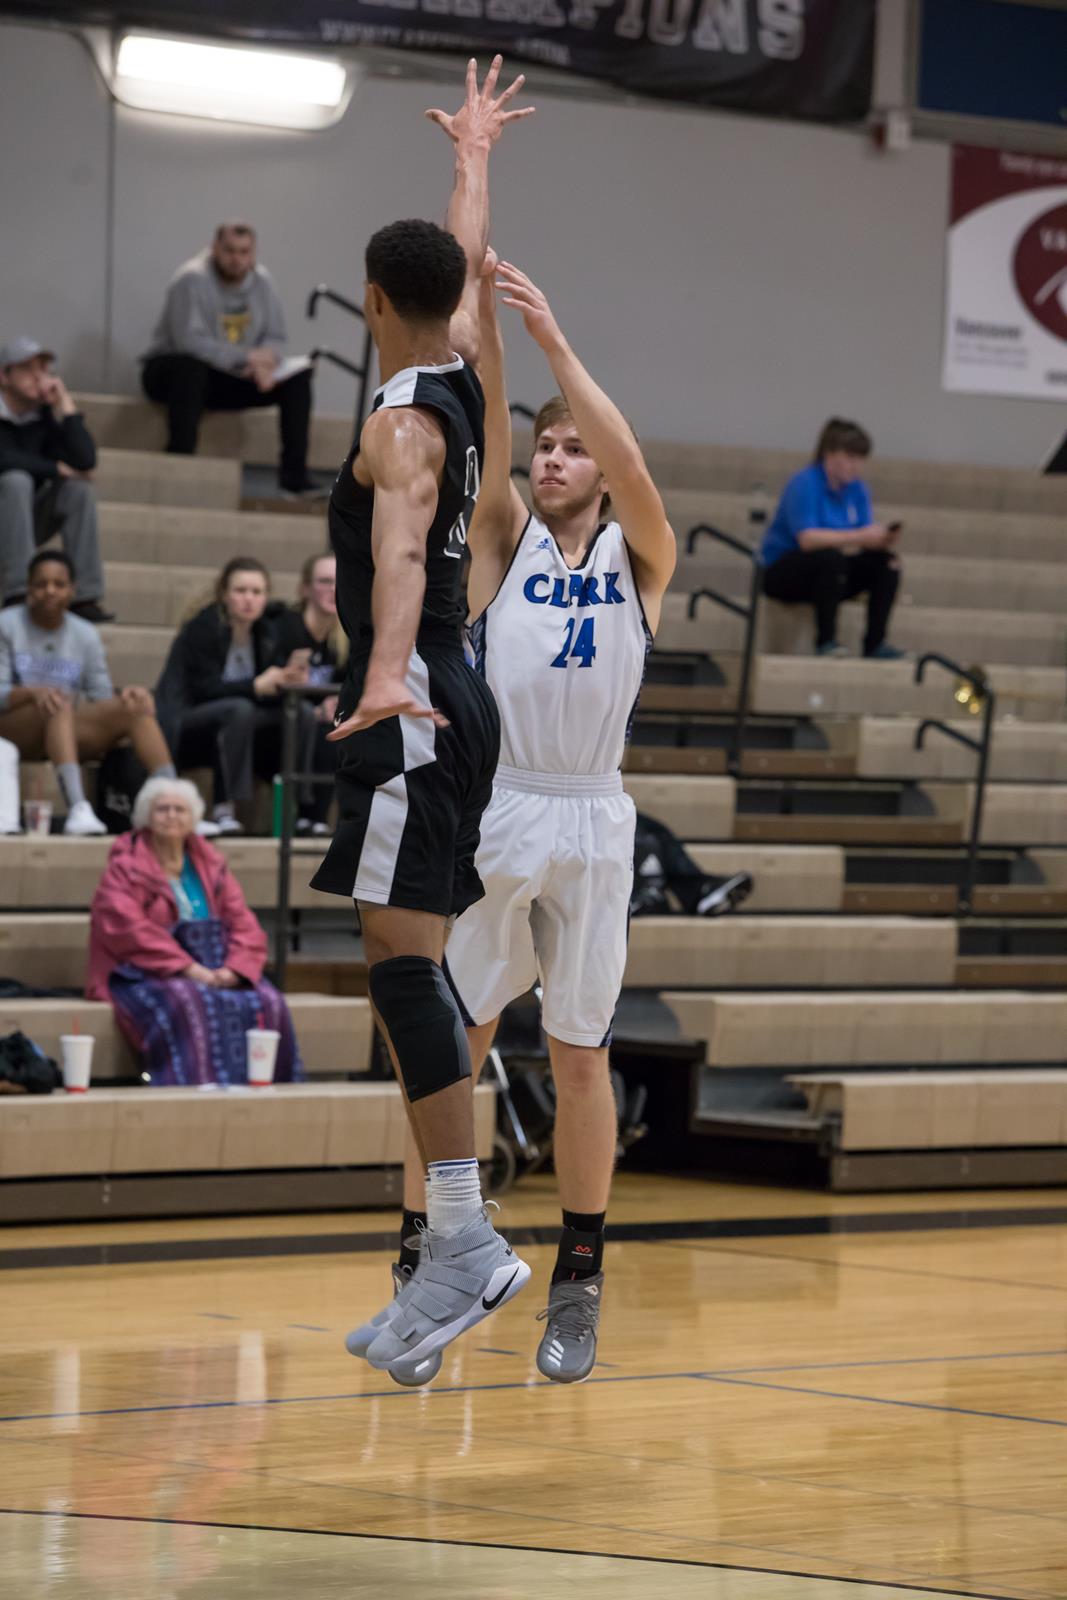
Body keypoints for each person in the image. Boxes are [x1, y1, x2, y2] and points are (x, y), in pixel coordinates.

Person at [380, 257, 676, 1386]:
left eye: (569, 448)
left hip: (594, 813)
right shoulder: (502, 539)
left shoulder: (641, 558)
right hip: (502, 805)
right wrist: (494, 323)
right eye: (545, 447)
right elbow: (490, 417)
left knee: (579, 1056)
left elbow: (632, 462)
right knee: (449, 1046)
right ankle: (425, 1263)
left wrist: (556, 338)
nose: (552, 458)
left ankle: (579, 1277)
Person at [310, 57, 533, 1389]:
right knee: (407, 959)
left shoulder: (400, 421)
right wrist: (472, 159)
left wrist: (383, 673)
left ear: (371, 301)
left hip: (423, 688)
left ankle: (459, 1241)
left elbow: (397, 549)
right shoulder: (457, 369)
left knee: (401, 968)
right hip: (462, 688)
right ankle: (449, 1242)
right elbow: (470, 263)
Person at [87, 776, 302, 1085]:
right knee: (189, 1002)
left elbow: (242, 921)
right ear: (147, 816)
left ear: (193, 818)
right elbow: (126, 927)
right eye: (162, 809)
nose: (171, 816)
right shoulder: (126, 865)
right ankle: (196, 1087)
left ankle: (266, 1087)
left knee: (269, 1001)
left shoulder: (211, 862)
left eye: (180, 810)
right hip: (143, 970)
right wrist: (188, 968)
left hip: (216, 963)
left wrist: (235, 969)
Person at [0, 551, 174, 836]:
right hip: (15, 726)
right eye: (41, 584)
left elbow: (100, 695)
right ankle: (78, 808)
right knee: (59, 701)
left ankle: (175, 800)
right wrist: (32, 694)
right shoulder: (7, 624)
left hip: (63, 725)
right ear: (29, 588)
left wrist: (125, 696)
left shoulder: (85, 633)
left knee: (134, 708)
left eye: (59, 584)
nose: (50, 591)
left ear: (72, 590)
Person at [141, 222, 318, 497]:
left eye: (244, 252)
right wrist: (246, 358)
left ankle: (294, 478)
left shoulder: (263, 281)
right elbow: (189, 341)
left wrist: (264, 364)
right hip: (172, 375)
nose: (237, 259)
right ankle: (179, 463)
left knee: (298, 377)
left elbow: (276, 337)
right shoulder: (191, 278)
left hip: (234, 375)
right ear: (215, 249)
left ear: (253, 253)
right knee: (190, 368)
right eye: (229, 251)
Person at [154, 556, 318, 837]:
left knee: (301, 712)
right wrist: (255, 686)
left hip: (242, 724)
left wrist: (285, 682)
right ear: (224, 594)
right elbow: (203, 689)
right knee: (239, 709)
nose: (248, 599)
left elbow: (265, 693)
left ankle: (302, 810)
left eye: (257, 592)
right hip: (188, 721)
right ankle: (224, 809)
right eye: (240, 591)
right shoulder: (203, 627)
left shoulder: (266, 632)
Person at [759, 418, 903, 660]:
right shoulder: (805, 483)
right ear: (829, 454)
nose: (856, 466)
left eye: (860, 458)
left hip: (829, 575)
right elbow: (807, 540)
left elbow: (862, 537)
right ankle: (826, 641)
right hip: (782, 572)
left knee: (887, 563)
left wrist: (879, 539)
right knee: (830, 558)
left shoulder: (858, 489)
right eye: (850, 457)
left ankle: (875, 644)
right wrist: (860, 535)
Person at [0, 337, 112, 620]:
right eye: (27, 369)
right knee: (16, 480)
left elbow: (86, 461)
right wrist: (55, 468)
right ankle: (20, 591)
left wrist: (66, 406)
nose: (39, 377)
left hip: (25, 520)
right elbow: (4, 458)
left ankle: (84, 597)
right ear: (4, 376)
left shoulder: (43, 417)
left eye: (43, 369)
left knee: (79, 489)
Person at [272, 553, 345, 836]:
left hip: (323, 721)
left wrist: (337, 701)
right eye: (324, 581)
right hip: (281, 717)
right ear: (304, 589)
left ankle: (315, 817)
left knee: (333, 729)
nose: (333, 589)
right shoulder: (285, 627)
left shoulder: (347, 635)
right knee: (307, 720)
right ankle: (300, 812)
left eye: (339, 582)